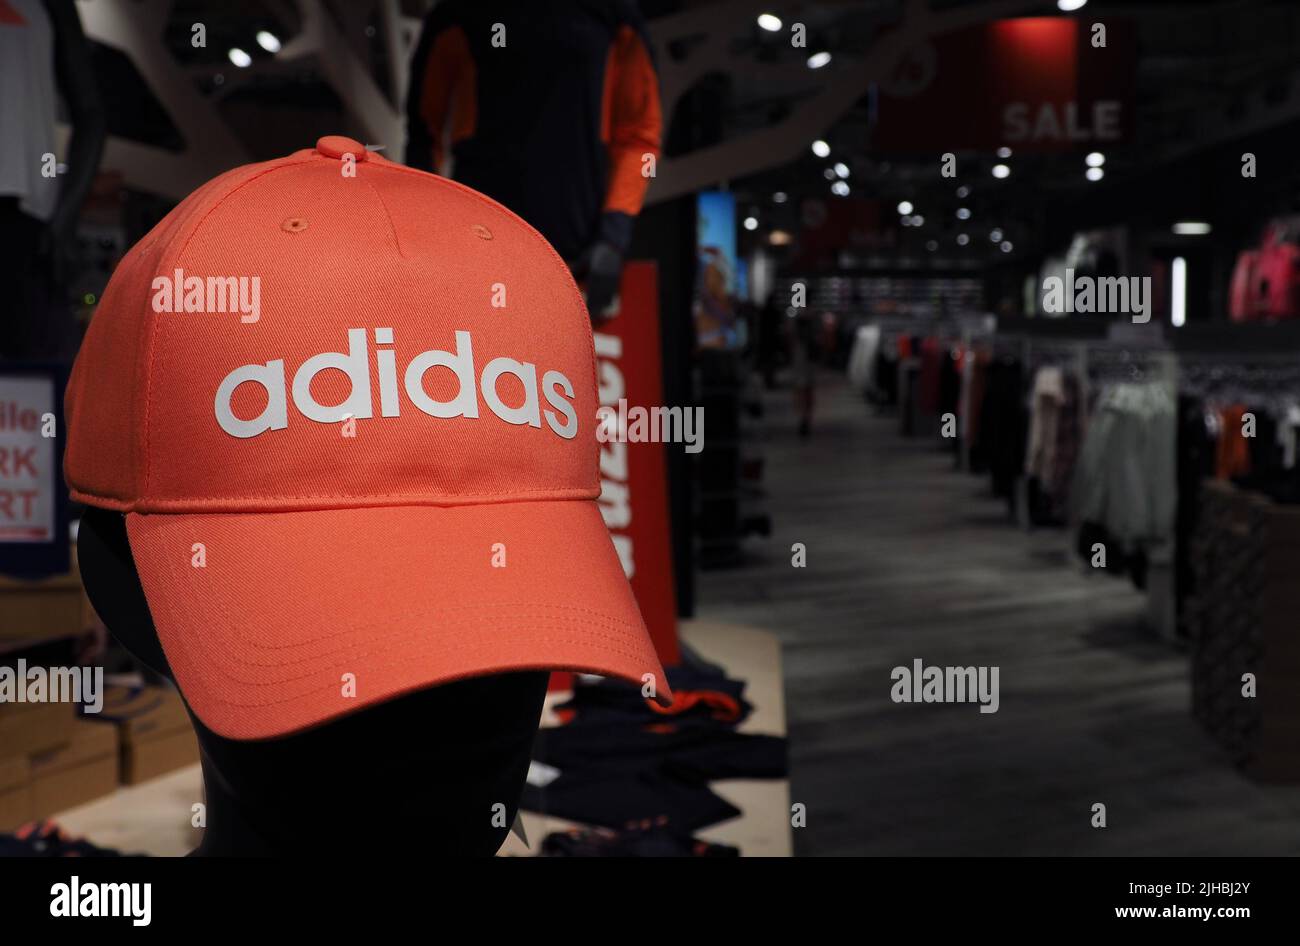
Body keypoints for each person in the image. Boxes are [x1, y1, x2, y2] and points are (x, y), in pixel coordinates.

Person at [405, 0, 662, 322]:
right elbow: (424, 132)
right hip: (477, 253)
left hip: (573, 258)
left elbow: (640, 136)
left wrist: (614, 236)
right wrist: (427, 232)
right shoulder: (459, 13)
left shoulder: (612, 13)